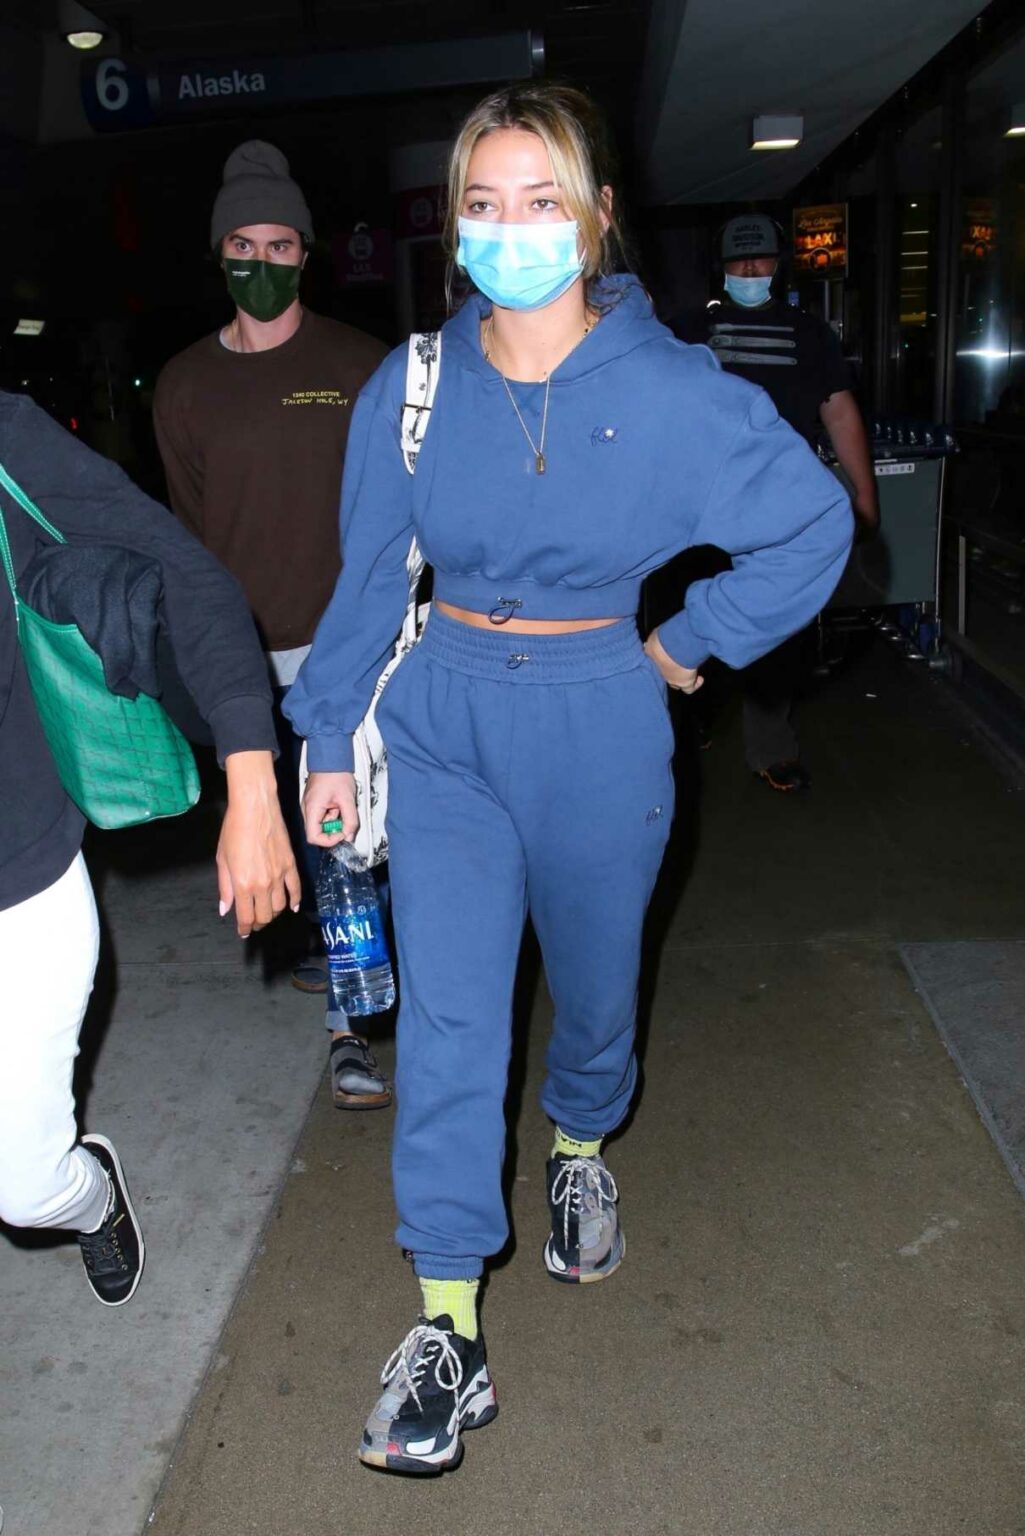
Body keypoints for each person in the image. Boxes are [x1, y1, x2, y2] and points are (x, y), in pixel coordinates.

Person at [285, 82, 853, 1475]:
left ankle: (582, 1143)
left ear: (598, 219)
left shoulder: (670, 392)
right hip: (445, 721)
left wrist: (685, 647)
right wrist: (321, 736)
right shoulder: (411, 387)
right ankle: (446, 1326)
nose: (509, 229)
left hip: (604, 711)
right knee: (455, 1028)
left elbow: (813, 526)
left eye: (541, 201)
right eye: (482, 204)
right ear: (455, 228)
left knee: (594, 994)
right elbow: (365, 580)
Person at [0, 387, 300, 1307]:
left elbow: (188, 576)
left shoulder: (6, 437)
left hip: (19, 876)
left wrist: (250, 788)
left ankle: (88, 1199)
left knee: (24, 1186)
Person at [153, 140, 391, 1110]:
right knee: (308, 844)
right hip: (247, 665)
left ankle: (349, 1009)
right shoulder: (182, 387)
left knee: (350, 841)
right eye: (242, 244)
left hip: (350, 652)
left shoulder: (358, 365)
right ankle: (345, 1006)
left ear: (307, 253)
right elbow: (188, 544)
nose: (261, 261)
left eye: (279, 244)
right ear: (219, 254)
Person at [669, 213, 879, 791]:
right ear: (724, 267)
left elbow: (840, 412)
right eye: (739, 260)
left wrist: (864, 494)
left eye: (760, 258)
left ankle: (771, 745)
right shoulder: (686, 330)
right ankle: (691, 722)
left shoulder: (810, 334)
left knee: (777, 628)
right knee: (694, 610)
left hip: (782, 506)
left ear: (778, 263)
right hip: (701, 505)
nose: (751, 268)